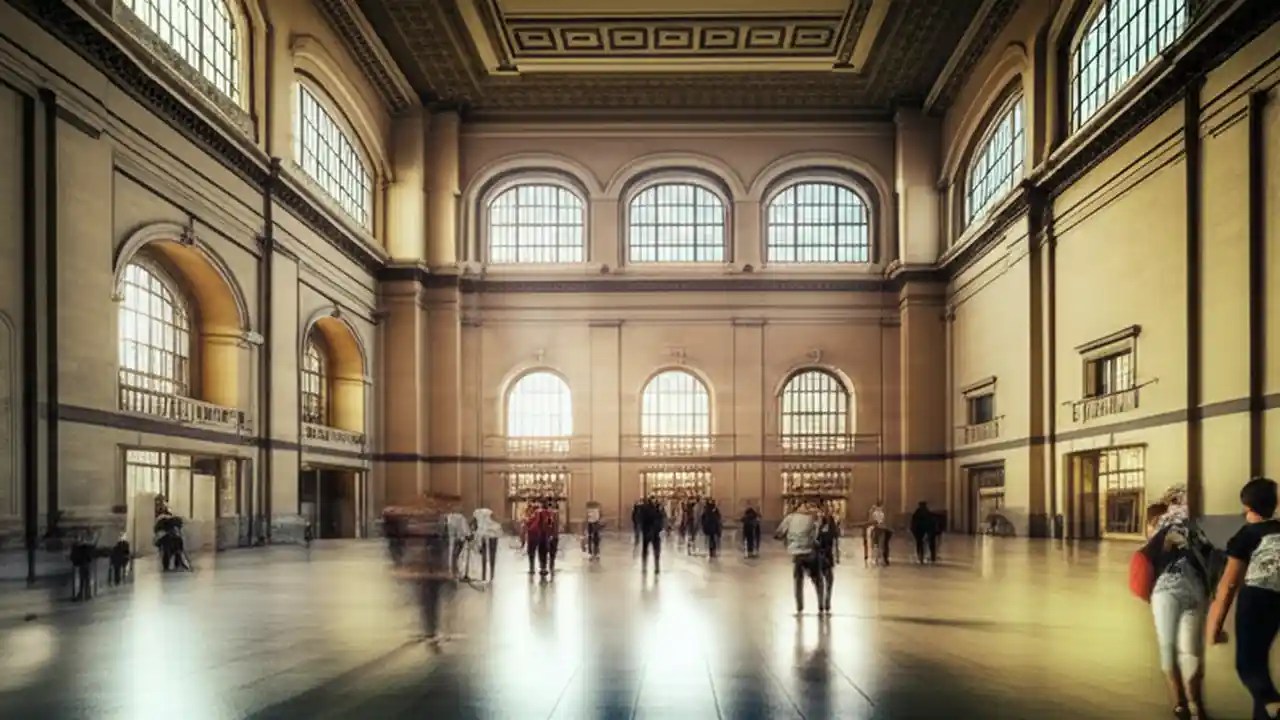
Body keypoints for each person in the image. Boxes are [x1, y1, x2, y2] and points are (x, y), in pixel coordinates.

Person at [1207, 477, 1280, 720]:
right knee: (1259, 663)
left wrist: (1215, 626)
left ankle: (1273, 704)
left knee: (1247, 665)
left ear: (1247, 507)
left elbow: (1228, 585)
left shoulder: (1245, 536)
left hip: (1256, 599)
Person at [1143, 497, 1214, 720]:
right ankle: (1195, 707)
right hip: (1195, 591)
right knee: (1190, 652)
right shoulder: (1196, 532)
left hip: (1167, 593)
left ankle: (1182, 704)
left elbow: (1148, 562)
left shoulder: (1160, 533)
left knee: (1169, 648)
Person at [776, 502, 823, 614]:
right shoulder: (813, 518)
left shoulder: (790, 518)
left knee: (798, 581)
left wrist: (786, 540)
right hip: (810, 553)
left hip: (797, 554)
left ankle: (799, 606)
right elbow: (817, 535)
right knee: (817, 580)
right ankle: (821, 604)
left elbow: (779, 533)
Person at [815, 509, 840, 613]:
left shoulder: (820, 529)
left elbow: (815, 541)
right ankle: (827, 602)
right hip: (828, 557)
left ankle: (821, 603)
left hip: (819, 556)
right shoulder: (833, 530)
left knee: (820, 581)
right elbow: (836, 544)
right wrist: (837, 557)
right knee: (829, 580)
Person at [472, 507, 501, 582]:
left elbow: (475, 527)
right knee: (491, 557)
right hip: (491, 537)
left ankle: (485, 575)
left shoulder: (480, 521)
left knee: (485, 557)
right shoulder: (492, 524)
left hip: (486, 537)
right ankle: (490, 575)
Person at [639, 496, 665, 574]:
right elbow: (642, 519)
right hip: (648, 531)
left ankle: (656, 566)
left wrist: (660, 528)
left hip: (655, 532)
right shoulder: (646, 508)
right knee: (646, 550)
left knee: (655, 550)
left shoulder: (658, 508)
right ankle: (645, 566)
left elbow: (661, 519)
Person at [69, 531, 97, 602]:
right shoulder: (86, 546)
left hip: (81, 564)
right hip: (85, 564)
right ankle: (86, 594)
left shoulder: (77, 546)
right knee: (85, 579)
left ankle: (82, 594)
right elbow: (90, 555)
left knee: (83, 579)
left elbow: (73, 556)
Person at [445, 510, 471, 579]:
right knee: (458, 556)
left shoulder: (449, 516)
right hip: (459, 538)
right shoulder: (461, 517)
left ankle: (452, 571)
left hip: (452, 538)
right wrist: (467, 535)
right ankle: (457, 572)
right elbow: (466, 531)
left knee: (452, 554)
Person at [866, 500, 892, 566]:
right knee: (881, 544)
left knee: (875, 544)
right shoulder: (882, 512)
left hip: (876, 529)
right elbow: (884, 521)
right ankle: (881, 559)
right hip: (882, 529)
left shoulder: (874, 512)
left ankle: (876, 558)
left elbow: (871, 520)